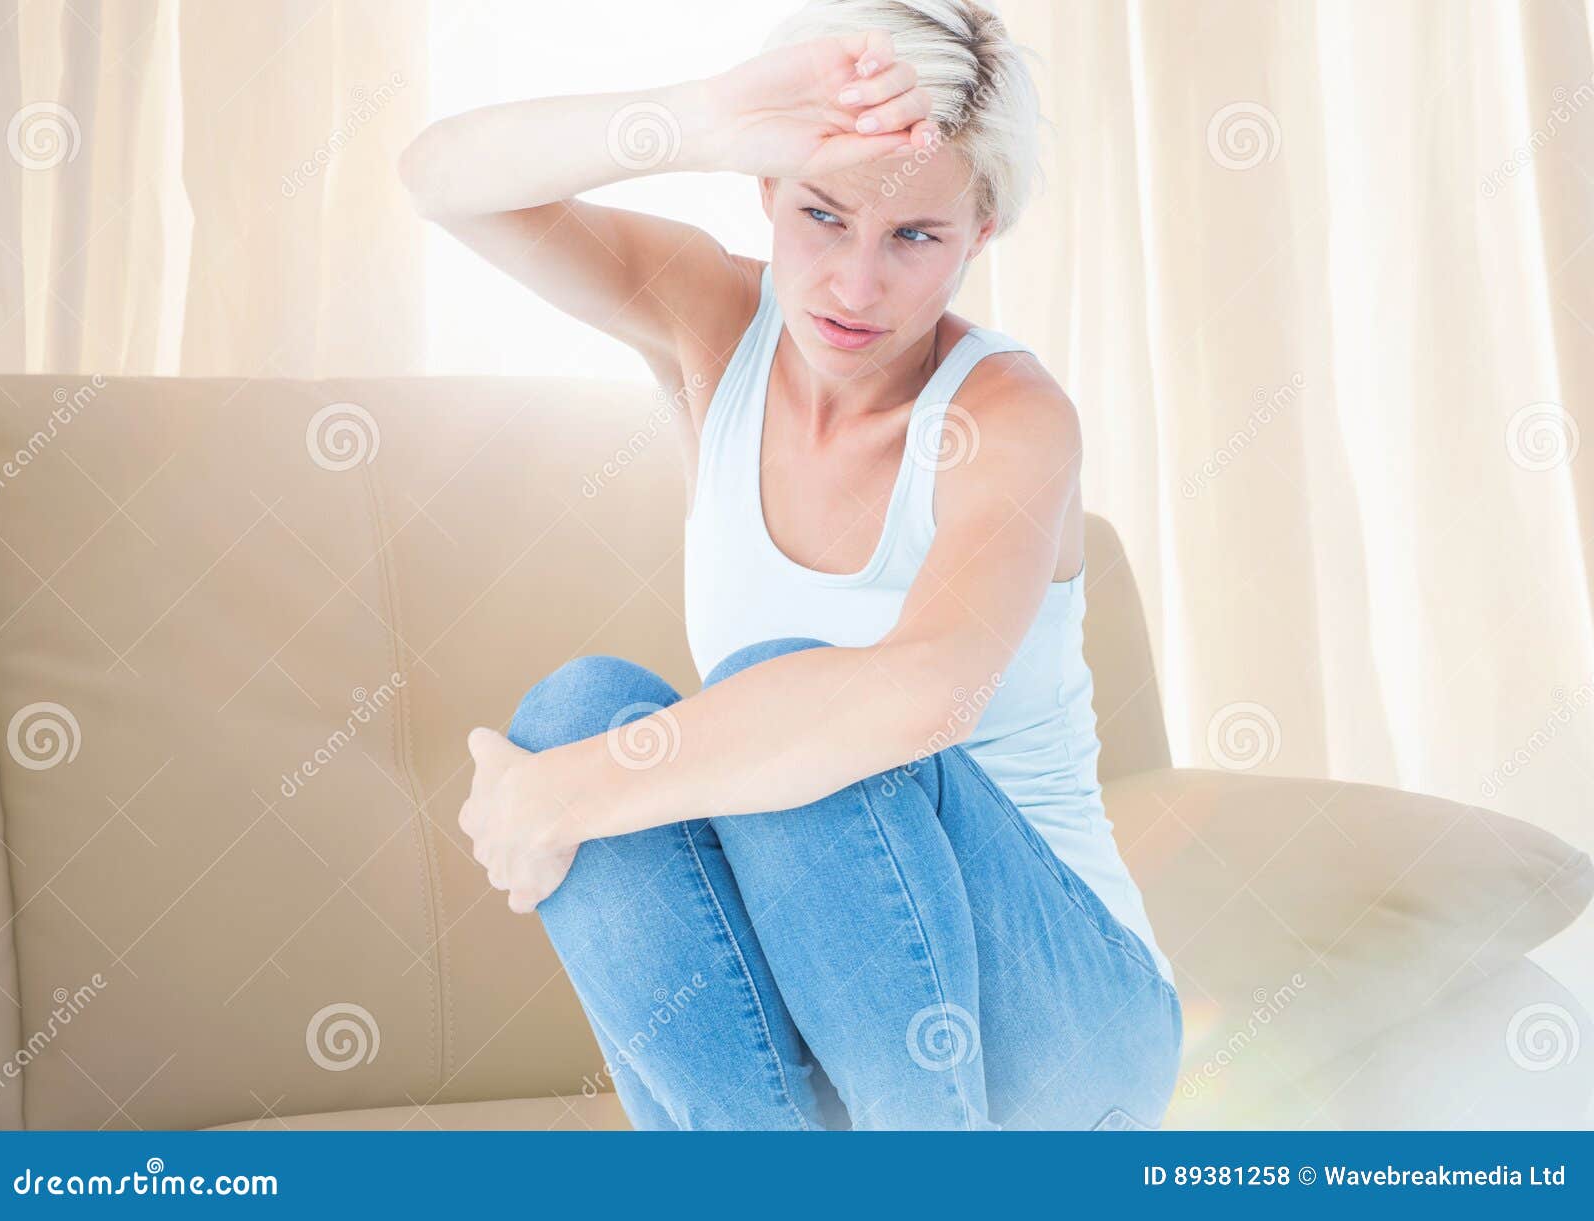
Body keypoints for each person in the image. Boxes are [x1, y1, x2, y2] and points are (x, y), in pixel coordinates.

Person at [399, 0, 1180, 1131]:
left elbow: (922, 693)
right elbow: (442, 180)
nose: (855, 288)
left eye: (915, 237)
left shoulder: (1010, 415)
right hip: (837, 1014)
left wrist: (559, 798)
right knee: (576, 708)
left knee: (791, 698)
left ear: (980, 233)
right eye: (821, 216)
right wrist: (705, 119)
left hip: (1068, 1028)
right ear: (767, 190)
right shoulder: (713, 317)